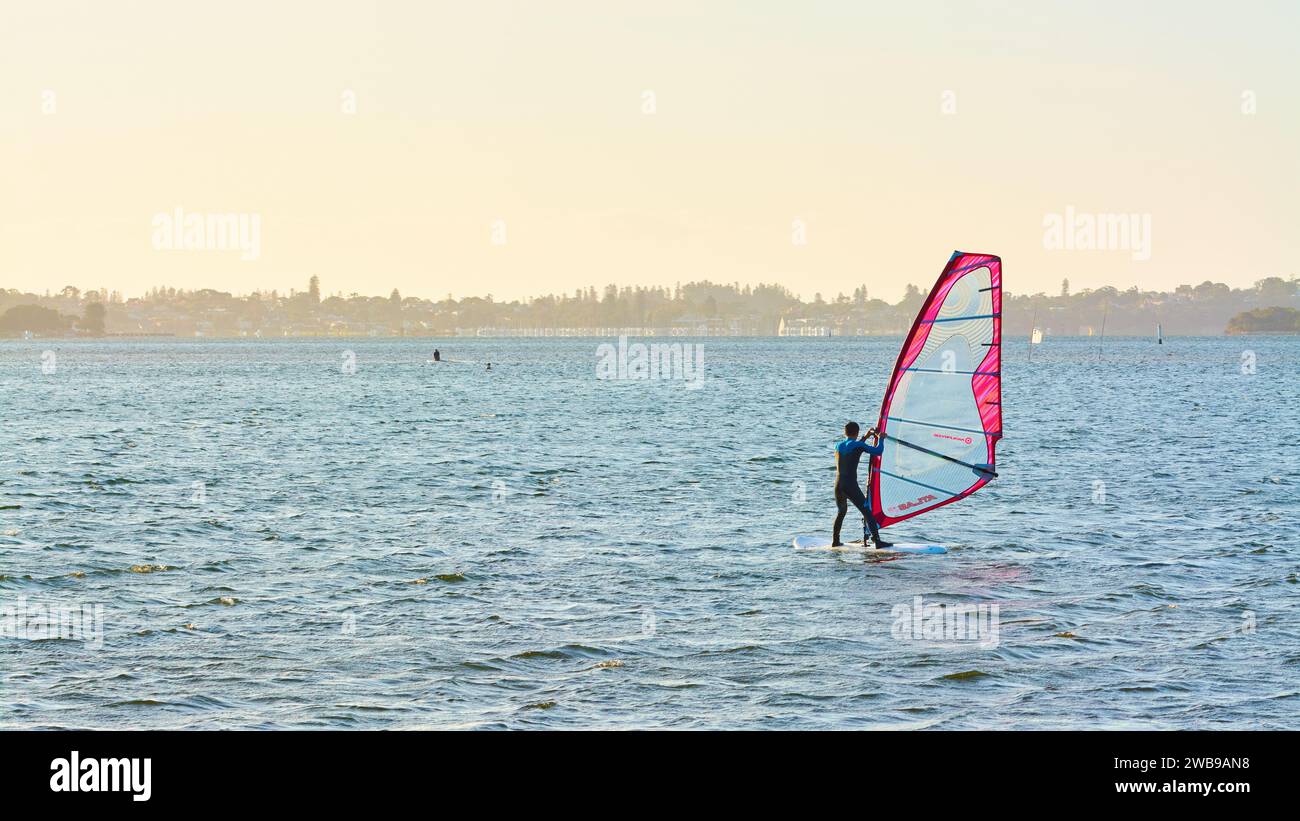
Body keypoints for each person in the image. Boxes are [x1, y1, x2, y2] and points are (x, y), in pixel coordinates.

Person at [833, 421, 891, 548]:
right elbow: (878, 451)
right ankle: (877, 542)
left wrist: (866, 436)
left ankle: (835, 541)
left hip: (838, 485)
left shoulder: (838, 445)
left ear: (845, 432)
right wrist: (881, 439)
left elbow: (855, 447)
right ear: (857, 432)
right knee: (867, 512)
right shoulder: (858, 445)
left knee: (841, 512)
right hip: (850, 485)